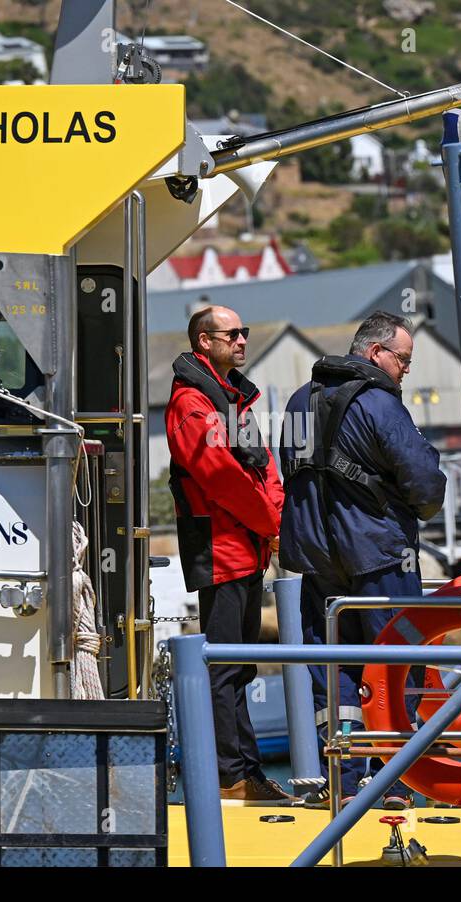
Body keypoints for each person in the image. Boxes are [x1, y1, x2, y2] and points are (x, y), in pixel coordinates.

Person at [279, 312, 446, 810]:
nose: (406, 370)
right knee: (397, 668)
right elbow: (424, 480)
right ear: (376, 353)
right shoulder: (379, 404)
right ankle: (394, 782)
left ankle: (345, 780)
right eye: (404, 359)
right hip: (379, 559)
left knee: (335, 675)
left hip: (319, 562)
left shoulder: (297, 402)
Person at [165, 305, 291, 804]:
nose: (242, 340)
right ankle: (230, 776)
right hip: (220, 551)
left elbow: (265, 470)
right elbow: (220, 477)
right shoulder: (192, 404)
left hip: (247, 550)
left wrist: (275, 523)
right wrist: (270, 523)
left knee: (239, 666)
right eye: (232, 333)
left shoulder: (232, 399)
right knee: (224, 667)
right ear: (204, 342)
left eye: (245, 331)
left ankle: (245, 773)